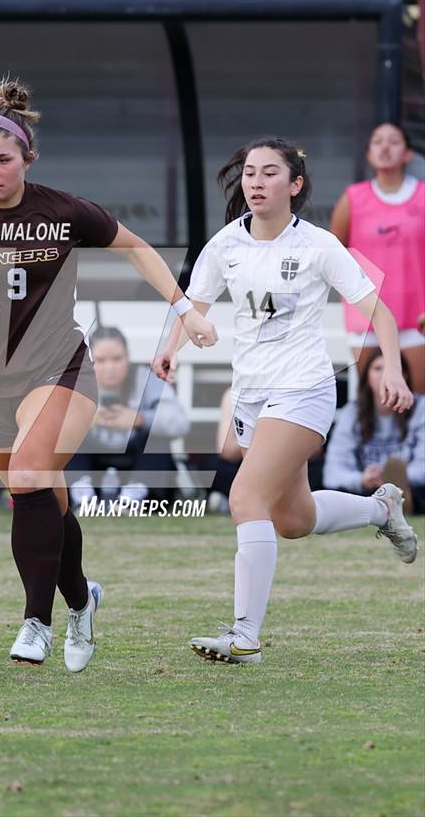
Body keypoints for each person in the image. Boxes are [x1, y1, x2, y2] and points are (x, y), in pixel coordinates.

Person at [0, 77, 214, 672]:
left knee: (33, 472)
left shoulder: (63, 211)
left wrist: (185, 309)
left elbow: (137, 248)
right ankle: (81, 600)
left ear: (27, 159)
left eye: (3, 160)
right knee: (39, 500)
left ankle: (35, 623)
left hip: (60, 369)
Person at [154, 136, 418, 666]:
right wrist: (170, 349)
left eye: (270, 173)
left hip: (304, 391)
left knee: (244, 499)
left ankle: (246, 636)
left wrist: (392, 367)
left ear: (294, 186)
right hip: (253, 398)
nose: (255, 181)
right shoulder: (226, 244)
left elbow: (380, 312)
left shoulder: (318, 245)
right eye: (249, 172)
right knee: (292, 519)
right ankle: (380, 508)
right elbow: (193, 306)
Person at [329, 123, 425, 392]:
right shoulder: (353, 198)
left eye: (393, 141)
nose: (385, 147)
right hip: (366, 316)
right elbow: (333, 254)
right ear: (369, 154)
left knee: (416, 402)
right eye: (378, 141)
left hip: (416, 317)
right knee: (375, 403)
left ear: (407, 154)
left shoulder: (422, 197)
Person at [67, 326, 190, 508]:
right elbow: (49, 428)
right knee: (66, 436)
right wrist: (83, 422)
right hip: (89, 461)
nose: (110, 367)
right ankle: (82, 494)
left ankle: (133, 498)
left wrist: (139, 419)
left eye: (117, 359)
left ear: (128, 356)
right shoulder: (75, 381)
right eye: (101, 360)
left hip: (136, 461)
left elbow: (180, 422)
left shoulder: (145, 378)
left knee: (155, 438)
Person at [324, 348, 425, 514]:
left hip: (412, 488)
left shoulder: (421, 408)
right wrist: (363, 479)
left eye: (392, 369)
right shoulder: (353, 412)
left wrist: (394, 478)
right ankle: (384, 504)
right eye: (378, 368)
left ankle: (394, 501)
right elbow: (333, 473)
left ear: (404, 375)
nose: (385, 376)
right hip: (365, 488)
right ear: (367, 378)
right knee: (329, 486)